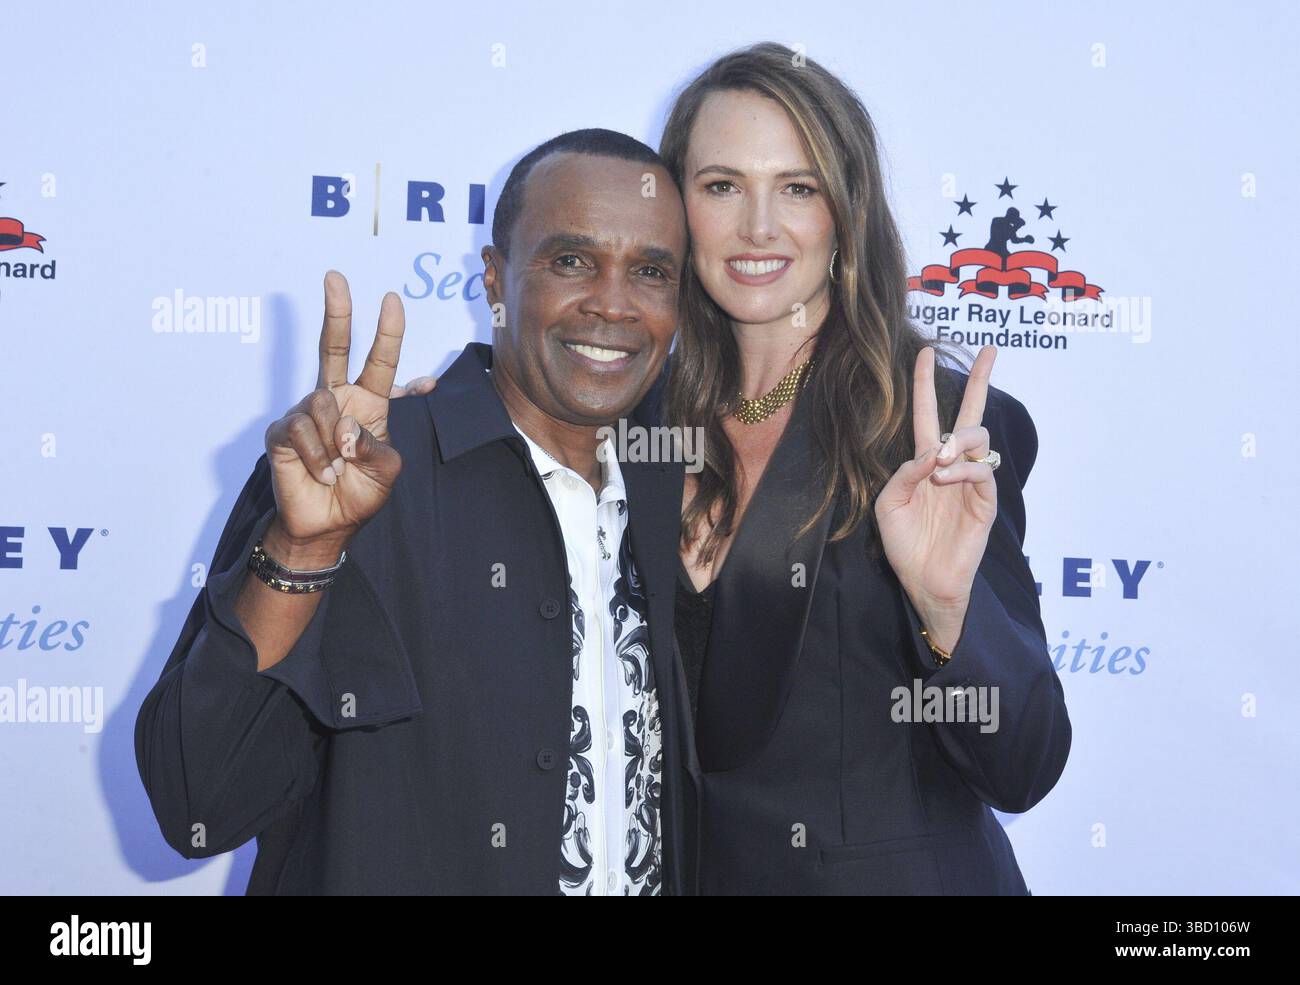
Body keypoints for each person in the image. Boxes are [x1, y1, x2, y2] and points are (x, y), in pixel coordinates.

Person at [134, 128, 694, 894]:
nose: (613, 304)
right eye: (571, 261)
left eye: (652, 272)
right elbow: (197, 804)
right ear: (495, 282)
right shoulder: (358, 473)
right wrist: (304, 551)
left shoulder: (674, 489)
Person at [654, 42, 1072, 894]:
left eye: (798, 188)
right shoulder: (641, 422)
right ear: (675, 208)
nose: (758, 226)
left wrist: (947, 613)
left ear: (846, 214)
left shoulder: (933, 426)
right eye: (722, 185)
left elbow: (1024, 760)